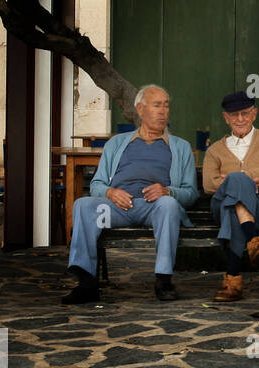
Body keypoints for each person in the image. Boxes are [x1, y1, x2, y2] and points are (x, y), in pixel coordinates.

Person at [64, 84, 198, 304]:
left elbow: (191, 194)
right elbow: (96, 184)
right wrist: (110, 192)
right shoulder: (117, 144)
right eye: (157, 105)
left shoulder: (181, 147)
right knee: (83, 205)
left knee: (168, 205)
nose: (163, 111)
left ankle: (163, 279)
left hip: (154, 208)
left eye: (166, 106)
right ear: (140, 109)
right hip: (118, 209)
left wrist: (168, 191)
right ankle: (86, 282)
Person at [202, 91, 259, 302]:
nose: (240, 119)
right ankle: (253, 239)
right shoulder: (214, 150)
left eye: (245, 113)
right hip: (221, 202)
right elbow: (208, 184)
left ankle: (233, 280)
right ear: (226, 118)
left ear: (254, 114)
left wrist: (245, 178)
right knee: (235, 186)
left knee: (232, 204)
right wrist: (237, 181)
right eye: (234, 115)